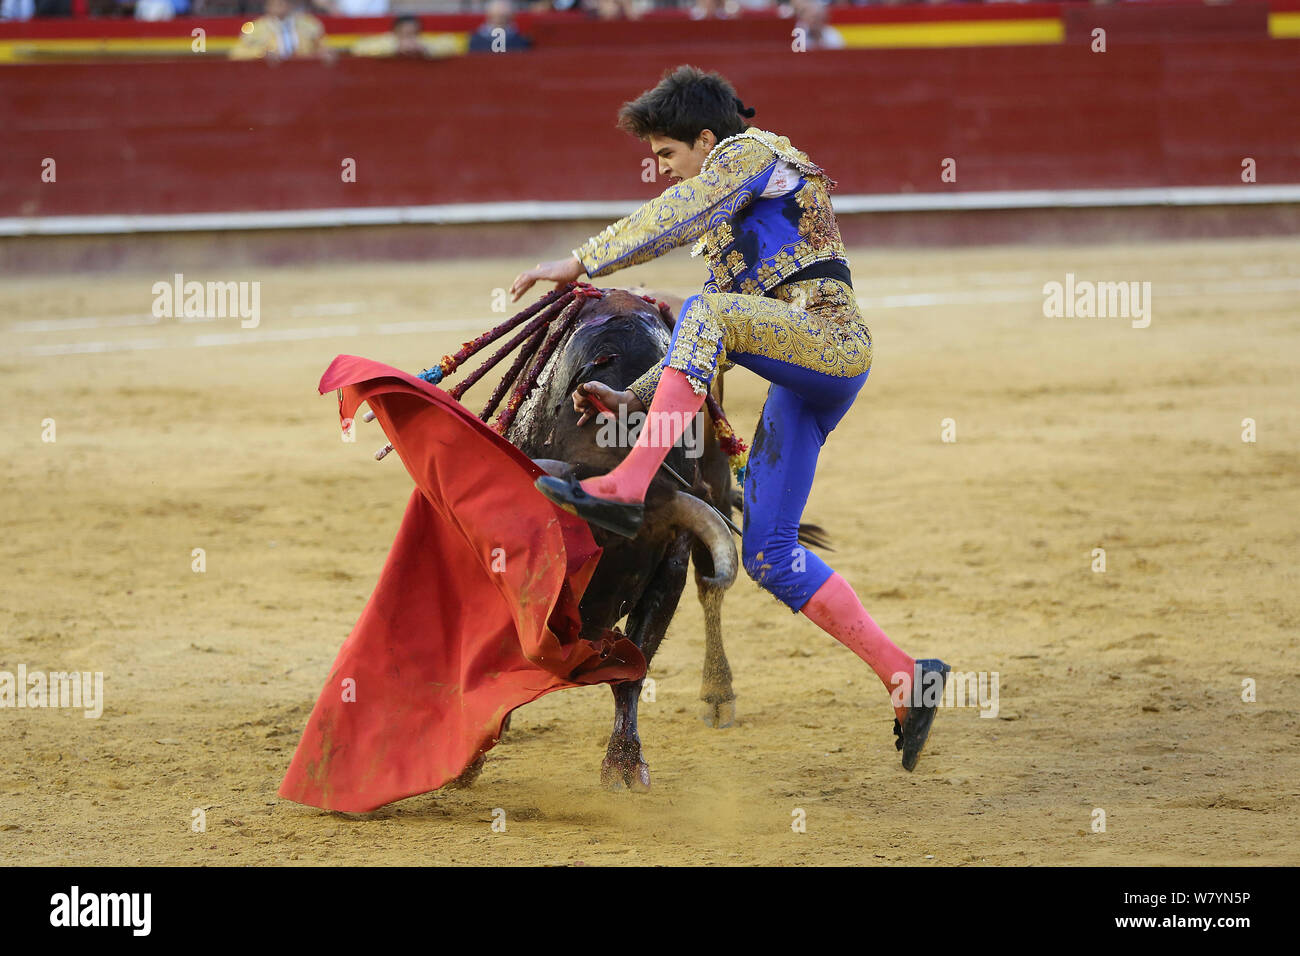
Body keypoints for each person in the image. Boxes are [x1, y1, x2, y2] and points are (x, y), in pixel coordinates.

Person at [509, 64, 950, 771]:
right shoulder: (725, 246)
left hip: (831, 345)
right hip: (802, 387)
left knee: (701, 311)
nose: (662, 173)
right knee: (770, 555)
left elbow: (680, 227)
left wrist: (581, 261)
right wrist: (638, 396)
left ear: (705, 140)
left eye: (666, 156)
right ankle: (906, 678)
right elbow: (706, 346)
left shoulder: (749, 155)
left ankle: (626, 487)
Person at [229, 0, 331, 61]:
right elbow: (236, 53)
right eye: (276, 2)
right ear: (268, 6)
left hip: (303, 75)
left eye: (284, 2)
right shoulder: (255, 28)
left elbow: (325, 50)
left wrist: (323, 54)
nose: (280, 4)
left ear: (291, 4)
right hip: (267, 77)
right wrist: (261, 54)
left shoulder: (309, 24)